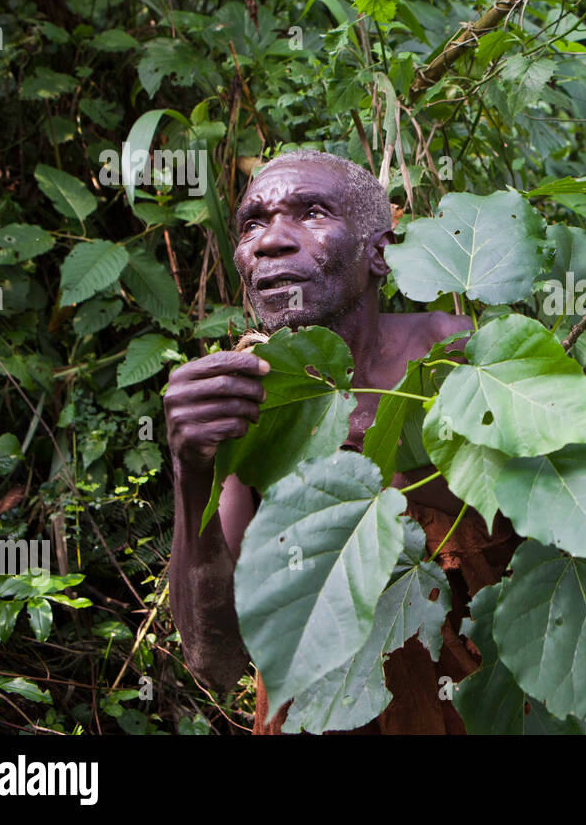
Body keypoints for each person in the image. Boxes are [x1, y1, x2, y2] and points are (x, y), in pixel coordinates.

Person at [163, 149, 518, 733]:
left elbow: (549, 551)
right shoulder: (245, 397)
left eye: (312, 213)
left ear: (378, 253)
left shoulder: (455, 358)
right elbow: (215, 659)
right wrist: (191, 471)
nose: (272, 240)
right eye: (253, 223)